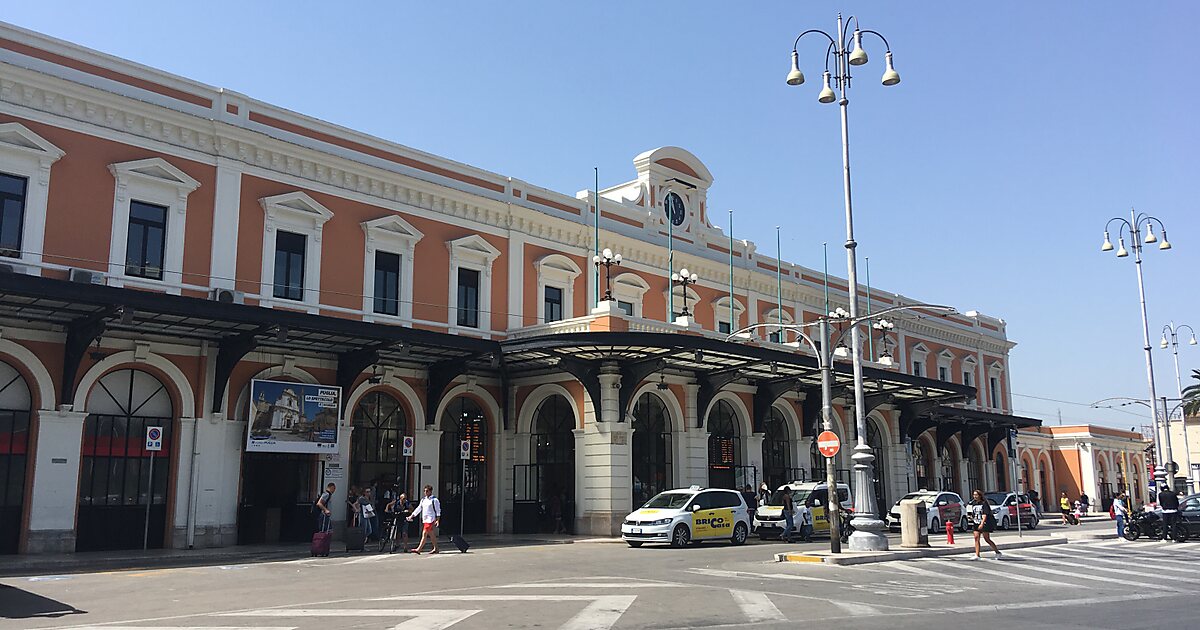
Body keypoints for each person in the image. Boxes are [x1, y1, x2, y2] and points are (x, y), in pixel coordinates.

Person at [407, 484, 442, 554]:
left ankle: (419, 549)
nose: (425, 492)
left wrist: (438, 520)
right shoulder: (423, 500)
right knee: (431, 534)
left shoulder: (434, 500)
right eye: (424, 491)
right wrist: (412, 515)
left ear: (430, 491)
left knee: (424, 533)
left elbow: (438, 510)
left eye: (427, 491)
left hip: (431, 519)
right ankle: (436, 548)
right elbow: (419, 509)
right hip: (425, 519)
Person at [969, 489, 1001, 560]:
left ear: (980, 495)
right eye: (974, 495)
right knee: (976, 538)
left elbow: (985, 514)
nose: (975, 496)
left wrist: (982, 523)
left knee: (987, 539)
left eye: (976, 495)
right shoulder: (974, 503)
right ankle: (977, 555)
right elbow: (974, 513)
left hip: (984, 523)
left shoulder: (984, 503)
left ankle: (997, 552)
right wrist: (971, 517)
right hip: (976, 522)